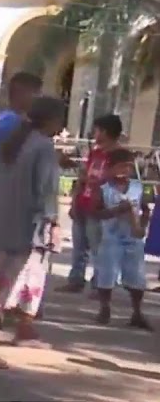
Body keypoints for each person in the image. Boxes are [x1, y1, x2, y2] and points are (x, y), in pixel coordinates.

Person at [62, 114, 124, 292]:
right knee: (79, 245)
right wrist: (75, 200)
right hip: (84, 201)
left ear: (105, 131)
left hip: (100, 207)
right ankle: (76, 279)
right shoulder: (95, 152)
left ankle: (101, 283)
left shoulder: (119, 156)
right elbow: (83, 175)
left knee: (99, 248)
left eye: (97, 130)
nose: (94, 134)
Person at [91, 148, 151, 330]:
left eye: (128, 167)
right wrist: (117, 210)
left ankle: (137, 311)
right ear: (110, 168)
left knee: (136, 276)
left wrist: (141, 223)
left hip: (133, 237)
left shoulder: (137, 187)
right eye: (121, 167)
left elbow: (145, 208)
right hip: (111, 237)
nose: (125, 171)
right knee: (107, 274)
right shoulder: (103, 189)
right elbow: (96, 212)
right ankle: (105, 308)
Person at [0, 72, 42, 147]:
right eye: (36, 93)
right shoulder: (12, 121)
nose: (39, 97)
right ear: (21, 93)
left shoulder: (0, 116)